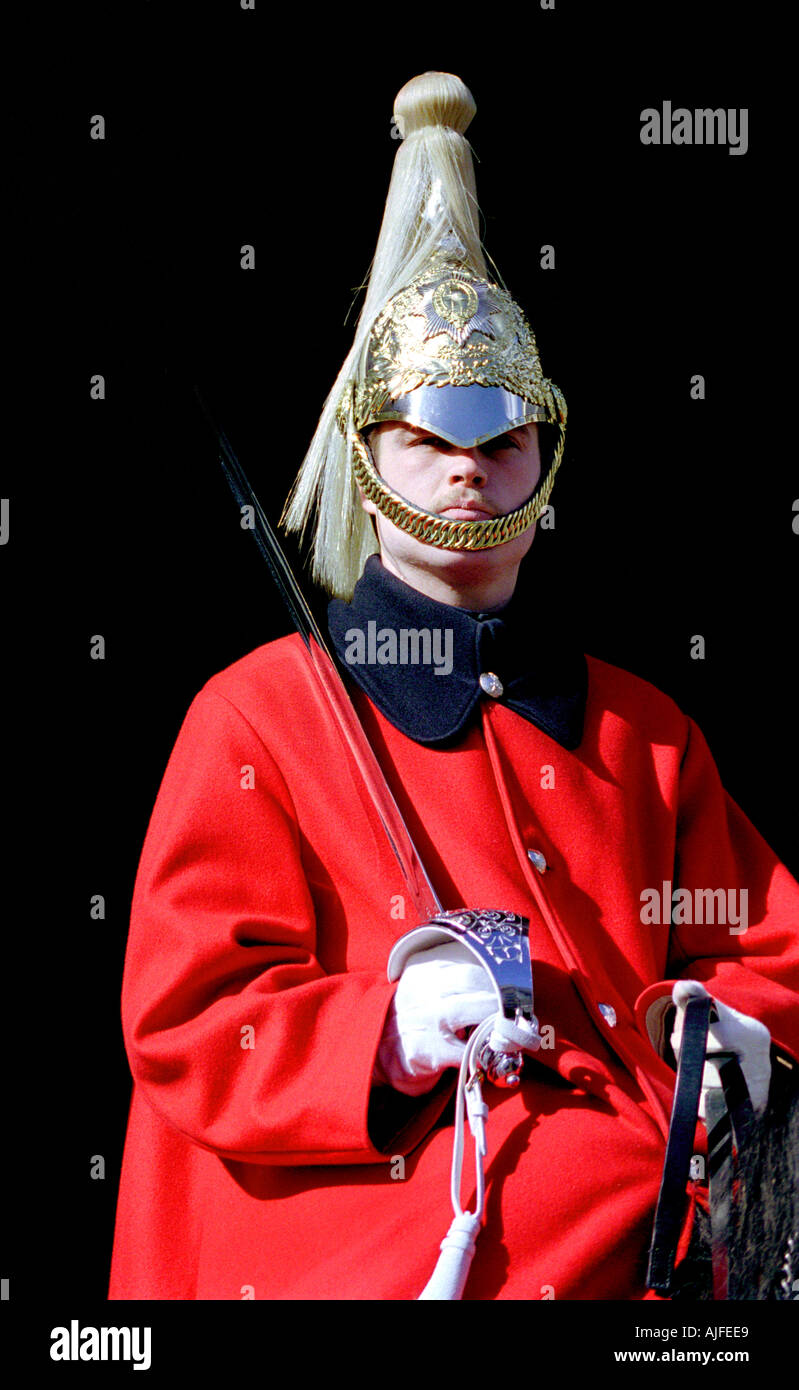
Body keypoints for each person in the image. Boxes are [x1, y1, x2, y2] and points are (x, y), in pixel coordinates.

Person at [108, 71, 799, 1302]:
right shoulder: (255, 717)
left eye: (502, 440)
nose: (470, 471)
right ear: (368, 461)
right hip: (370, 1238)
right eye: (430, 438)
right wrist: (375, 1031)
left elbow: (765, 947)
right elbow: (188, 1013)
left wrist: (711, 1026)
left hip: (639, 1229)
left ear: (546, 456)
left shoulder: (644, 729)